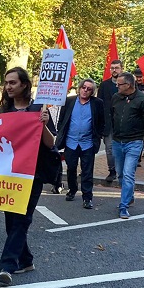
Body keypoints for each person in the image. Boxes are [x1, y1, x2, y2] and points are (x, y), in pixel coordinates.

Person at [0, 67, 56, 286]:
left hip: (33, 174)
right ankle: (26, 260)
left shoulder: (38, 109)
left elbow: (51, 144)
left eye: (13, 82)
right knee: (11, 223)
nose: (8, 87)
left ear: (24, 84)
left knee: (22, 220)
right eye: (7, 83)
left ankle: (7, 266)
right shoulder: (4, 110)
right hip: (10, 173)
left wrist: (42, 124)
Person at [110, 72, 144, 220]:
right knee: (120, 173)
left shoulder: (143, 99)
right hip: (117, 141)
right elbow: (112, 116)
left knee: (129, 173)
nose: (117, 86)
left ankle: (123, 206)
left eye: (119, 84)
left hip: (134, 142)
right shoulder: (116, 98)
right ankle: (129, 196)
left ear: (129, 85)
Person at [54, 78, 104, 209]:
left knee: (87, 171)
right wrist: (60, 133)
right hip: (71, 142)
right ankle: (72, 190)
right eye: (84, 87)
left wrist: (99, 135)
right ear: (80, 88)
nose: (85, 91)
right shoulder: (69, 101)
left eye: (89, 89)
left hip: (88, 143)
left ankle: (87, 197)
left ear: (92, 92)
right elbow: (62, 120)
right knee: (71, 168)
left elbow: (101, 121)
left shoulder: (97, 103)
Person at [96, 59, 124, 182]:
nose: (114, 70)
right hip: (108, 122)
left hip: (123, 122)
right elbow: (99, 104)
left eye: (116, 68)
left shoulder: (127, 83)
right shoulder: (104, 85)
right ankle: (112, 171)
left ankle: (122, 171)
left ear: (121, 69)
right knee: (109, 148)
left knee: (124, 148)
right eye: (112, 68)